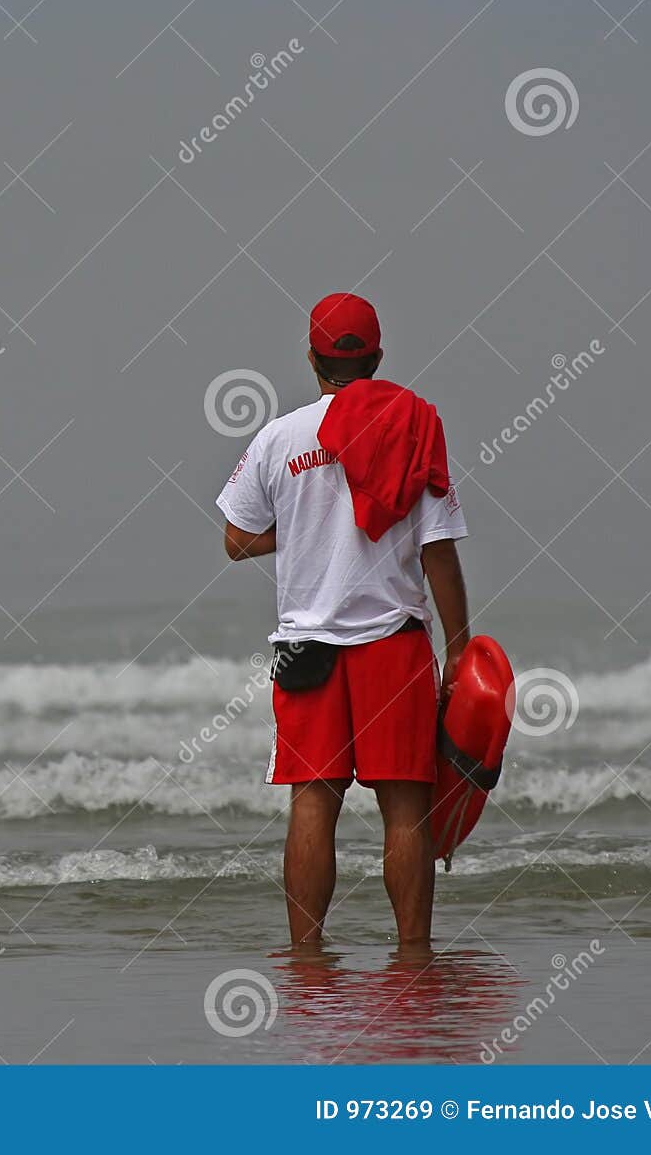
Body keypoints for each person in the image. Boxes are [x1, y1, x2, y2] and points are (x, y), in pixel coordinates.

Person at [215, 292, 469, 951]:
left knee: (312, 801)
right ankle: (413, 952)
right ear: (377, 358)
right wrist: (461, 648)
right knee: (405, 806)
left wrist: (305, 532)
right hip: (392, 644)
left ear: (312, 358)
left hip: (306, 648)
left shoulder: (279, 437)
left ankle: (306, 955)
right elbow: (437, 551)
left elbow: (237, 539)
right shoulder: (414, 427)